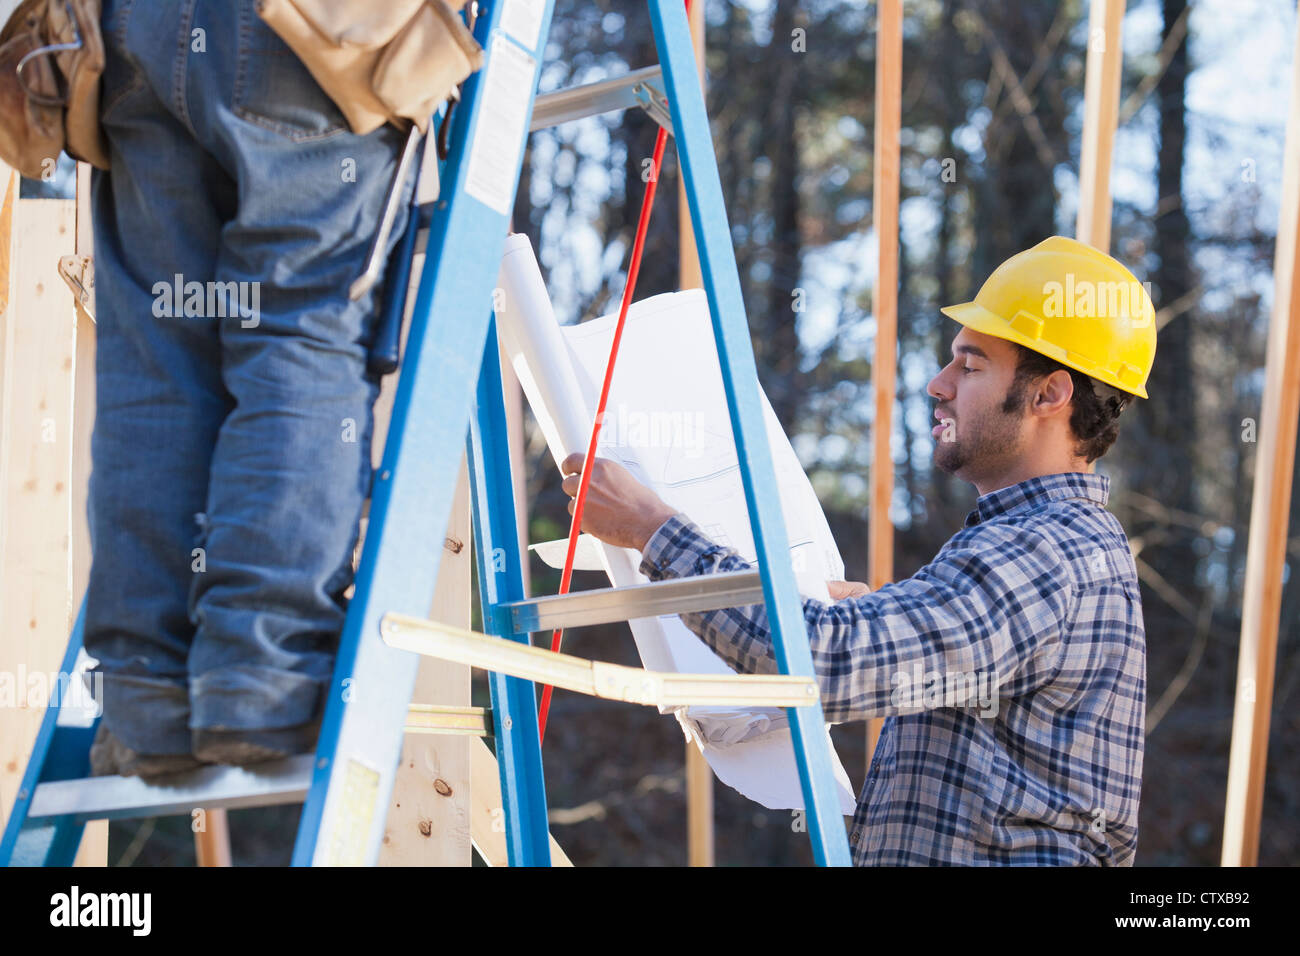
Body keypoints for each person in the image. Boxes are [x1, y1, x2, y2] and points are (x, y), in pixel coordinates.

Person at [559, 236, 1157, 865]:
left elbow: (826, 662)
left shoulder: (1040, 550)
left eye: (971, 366)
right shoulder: (1048, 545)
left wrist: (654, 528)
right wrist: (877, 620)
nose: (938, 384)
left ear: (1050, 395)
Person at [85, 0, 412, 778]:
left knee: (158, 362)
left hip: (134, 29)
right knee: (296, 330)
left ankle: (148, 696)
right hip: (308, 30)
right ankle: (260, 676)